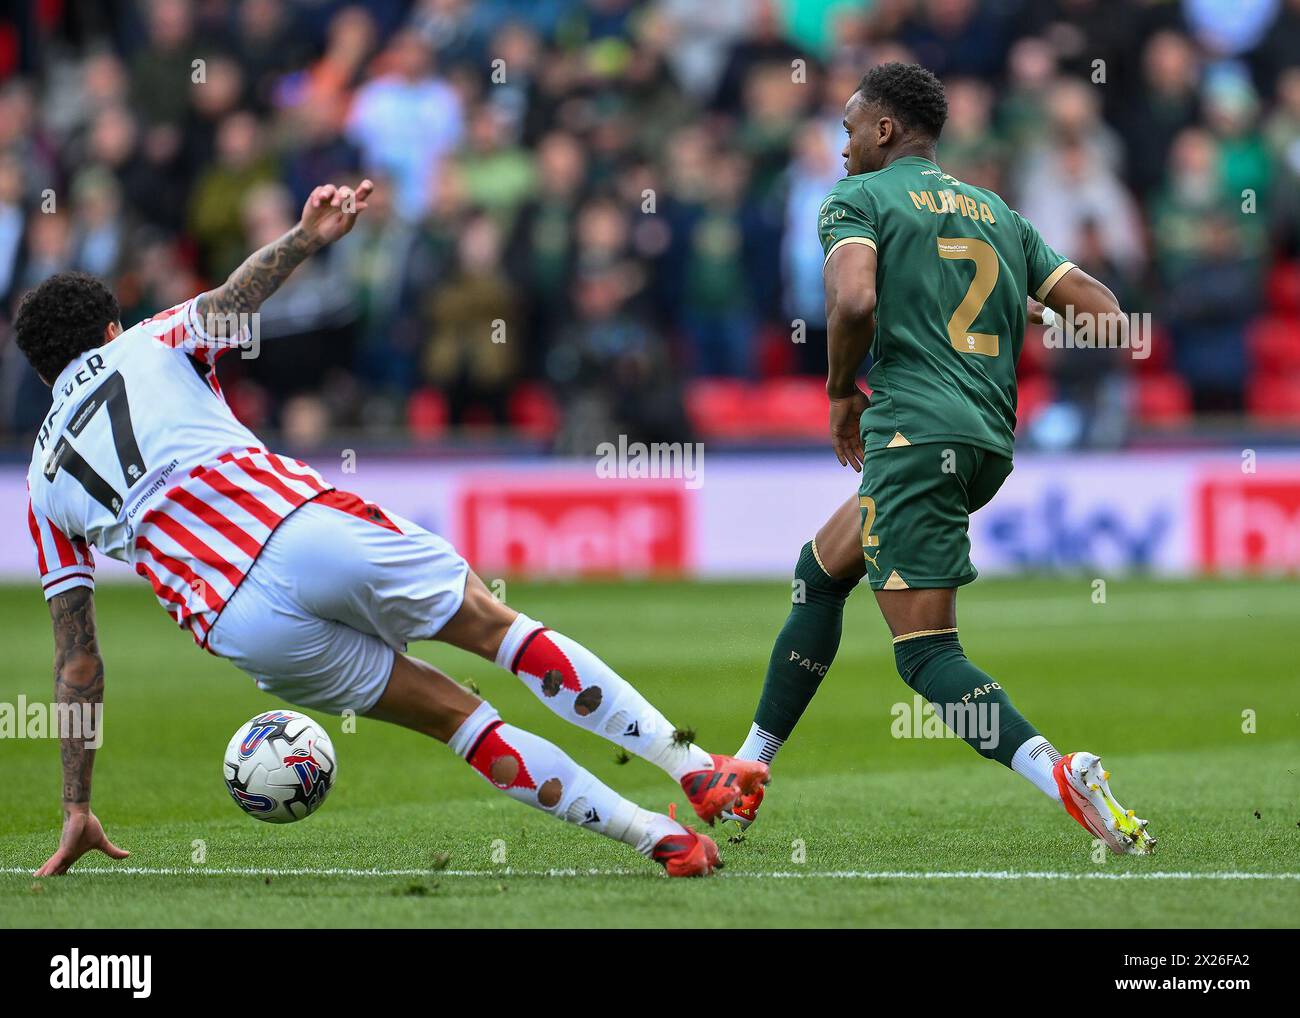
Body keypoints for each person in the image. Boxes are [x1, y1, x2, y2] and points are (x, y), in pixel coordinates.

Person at [17, 179, 766, 879]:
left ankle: (662, 841)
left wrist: (76, 804)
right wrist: (306, 238)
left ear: (44, 372)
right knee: (496, 629)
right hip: (300, 529)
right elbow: (229, 302)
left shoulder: (40, 486)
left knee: (458, 722)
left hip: (240, 624)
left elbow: (76, 660)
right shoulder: (146, 341)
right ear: (109, 327)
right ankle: (690, 766)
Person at [720, 64, 1155, 857]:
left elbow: (852, 301)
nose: (841, 144)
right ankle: (748, 770)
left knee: (926, 656)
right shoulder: (999, 214)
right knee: (821, 571)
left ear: (885, 130)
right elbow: (1107, 321)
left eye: (850, 128)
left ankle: (1060, 773)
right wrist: (1015, 304)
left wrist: (841, 393)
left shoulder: (858, 199)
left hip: (912, 436)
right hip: (984, 442)